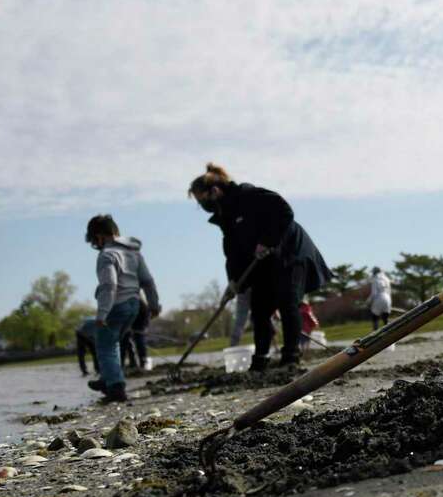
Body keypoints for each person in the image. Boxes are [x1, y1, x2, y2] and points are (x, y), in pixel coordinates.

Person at [188, 163, 332, 373]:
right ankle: (260, 359)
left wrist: (267, 240)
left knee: (287, 301)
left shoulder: (249, 195)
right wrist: (234, 282)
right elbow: (233, 254)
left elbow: (284, 212)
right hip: (265, 263)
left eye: (202, 200)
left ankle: (290, 357)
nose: (203, 206)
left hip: (289, 253)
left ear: (215, 190)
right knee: (260, 310)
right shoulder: (225, 217)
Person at [82, 215, 161, 402]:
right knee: (114, 341)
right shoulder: (134, 253)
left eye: (95, 241)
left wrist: (102, 313)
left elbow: (109, 285)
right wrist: (154, 304)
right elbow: (148, 281)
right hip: (134, 305)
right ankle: (108, 379)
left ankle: (116, 387)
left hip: (116, 305)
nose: (96, 245)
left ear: (100, 237)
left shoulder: (107, 255)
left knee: (105, 345)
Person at [365, 266, 393, 331]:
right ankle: (389, 332)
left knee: (375, 317)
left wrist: (368, 302)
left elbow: (374, 294)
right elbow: (389, 292)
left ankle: (375, 334)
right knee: (385, 317)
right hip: (388, 299)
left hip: (379, 298)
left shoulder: (375, 280)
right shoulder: (387, 279)